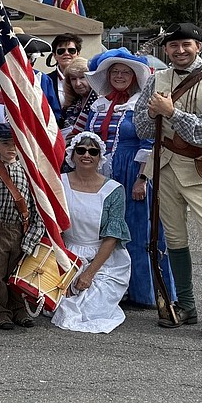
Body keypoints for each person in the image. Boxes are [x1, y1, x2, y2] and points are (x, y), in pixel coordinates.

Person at [134, 22, 202, 345]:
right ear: (166, 49)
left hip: (201, 168)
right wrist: (154, 116)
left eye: (186, 45)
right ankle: (187, 305)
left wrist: (171, 112)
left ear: (198, 46)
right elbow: (141, 127)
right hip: (164, 166)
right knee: (175, 239)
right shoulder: (155, 80)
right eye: (174, 46)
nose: (179, 51)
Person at [84, 48, 169, 308]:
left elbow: (150, 141)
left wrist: (142, 178)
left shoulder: (141, 104)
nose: (120, 76)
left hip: (131, 170)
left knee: (135, 231)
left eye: (125, 72)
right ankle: (108, 286)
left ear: (134, 76)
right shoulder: (99, 104)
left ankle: (142, 291)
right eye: (115, 72)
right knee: (102, 231)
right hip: (101, 173)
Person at [51, 132, 132, 333]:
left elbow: (111, 237)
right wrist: (64, 266)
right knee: (61, 305)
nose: (86, 155)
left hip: (102, 259)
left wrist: (88, 274)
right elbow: (54, 228)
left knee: (92, 311)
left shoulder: (114, 190)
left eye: (93, 151)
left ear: (99, 157)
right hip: (65, 253)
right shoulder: (59, 183)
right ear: (72, 154)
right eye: (81, 150)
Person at [0, 124, 46, 330]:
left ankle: (18, 309)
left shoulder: (28, 173)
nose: (11, 149)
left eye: (15, 144)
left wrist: (32, 236)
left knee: (18, 272)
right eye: (6, 144)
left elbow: (37, 208)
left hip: (20, 228)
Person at [59, 57, 97, 140]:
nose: (78, 83)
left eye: (82, 77)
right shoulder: (69, 107)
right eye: (73, 79)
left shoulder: (101, 104)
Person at [49, 33, 84, 105]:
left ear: (78, 54)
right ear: (54, 55)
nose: (66, 53)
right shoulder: (47, 80)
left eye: (71, 50)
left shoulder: (87, 78)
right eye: (61, 51)